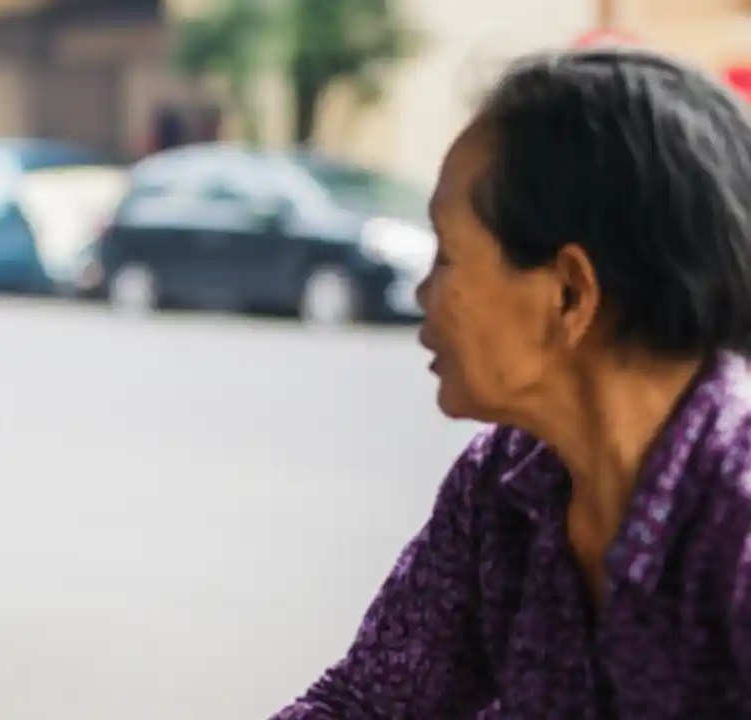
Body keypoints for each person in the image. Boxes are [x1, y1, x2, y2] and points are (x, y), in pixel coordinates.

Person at [271, 47, 751, 718]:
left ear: (569, 294)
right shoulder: (504, 483)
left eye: (446, 254)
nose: (421, 293)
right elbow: (369, 703)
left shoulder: (737, 510)